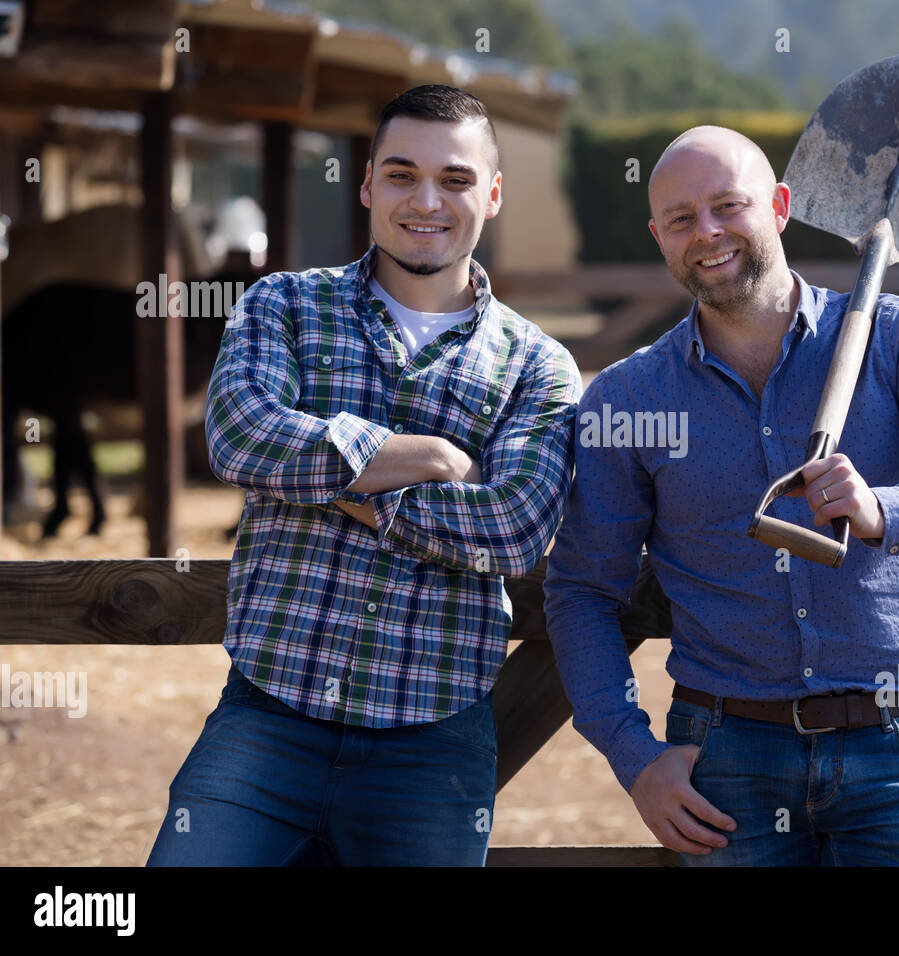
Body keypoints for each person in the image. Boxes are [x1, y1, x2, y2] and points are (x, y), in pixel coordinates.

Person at [543, 125, 899, 866]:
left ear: (779, 205)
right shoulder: (630, 398)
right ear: (659, 237)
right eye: (682, 219)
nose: (706, 232)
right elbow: (583, 588)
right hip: (726, 760)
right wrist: (634, 756)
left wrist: (887, 511)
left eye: (727, 206)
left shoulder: (897, 339)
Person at [148, 85, 582, 866]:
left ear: (493, 192)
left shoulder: (537, 367)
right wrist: (437, 460)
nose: (426, 200)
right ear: (367, 183)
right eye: (401, 174)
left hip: (433, 744)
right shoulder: (283, 304)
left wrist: (354, 497)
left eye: (453, 179)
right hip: (268, 715)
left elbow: (515, 527)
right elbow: (242, 440)